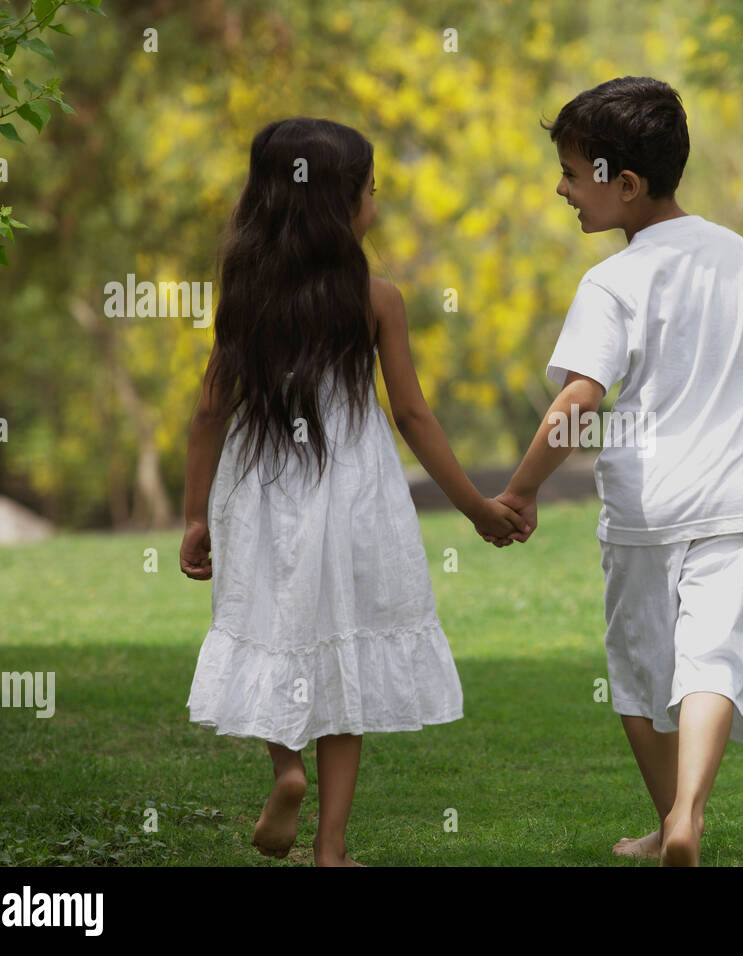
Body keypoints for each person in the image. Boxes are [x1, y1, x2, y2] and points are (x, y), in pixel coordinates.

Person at [178, 117, 528, 867]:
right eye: (371, 188)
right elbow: (411, 414)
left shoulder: (244, 296)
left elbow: (209, 411)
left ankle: (286, 772)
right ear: (341, 205)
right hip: (354, 496)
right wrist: (476, 507)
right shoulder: (377, 299)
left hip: (262, 490)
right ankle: (332, 852)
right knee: (345, 661)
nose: (377, 200)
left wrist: (191, 517)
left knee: (274, 633)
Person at [493, 76, 743, 867]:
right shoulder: (734, 250)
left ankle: (670, 817)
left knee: (638, 666)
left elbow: (579, 401)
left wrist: (520, 489)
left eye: (571, 172)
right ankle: (687, 815)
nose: (561, 189)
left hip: (647, 505)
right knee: (714, 659)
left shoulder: (611, 282)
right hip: (736, 494)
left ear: (624, 185)